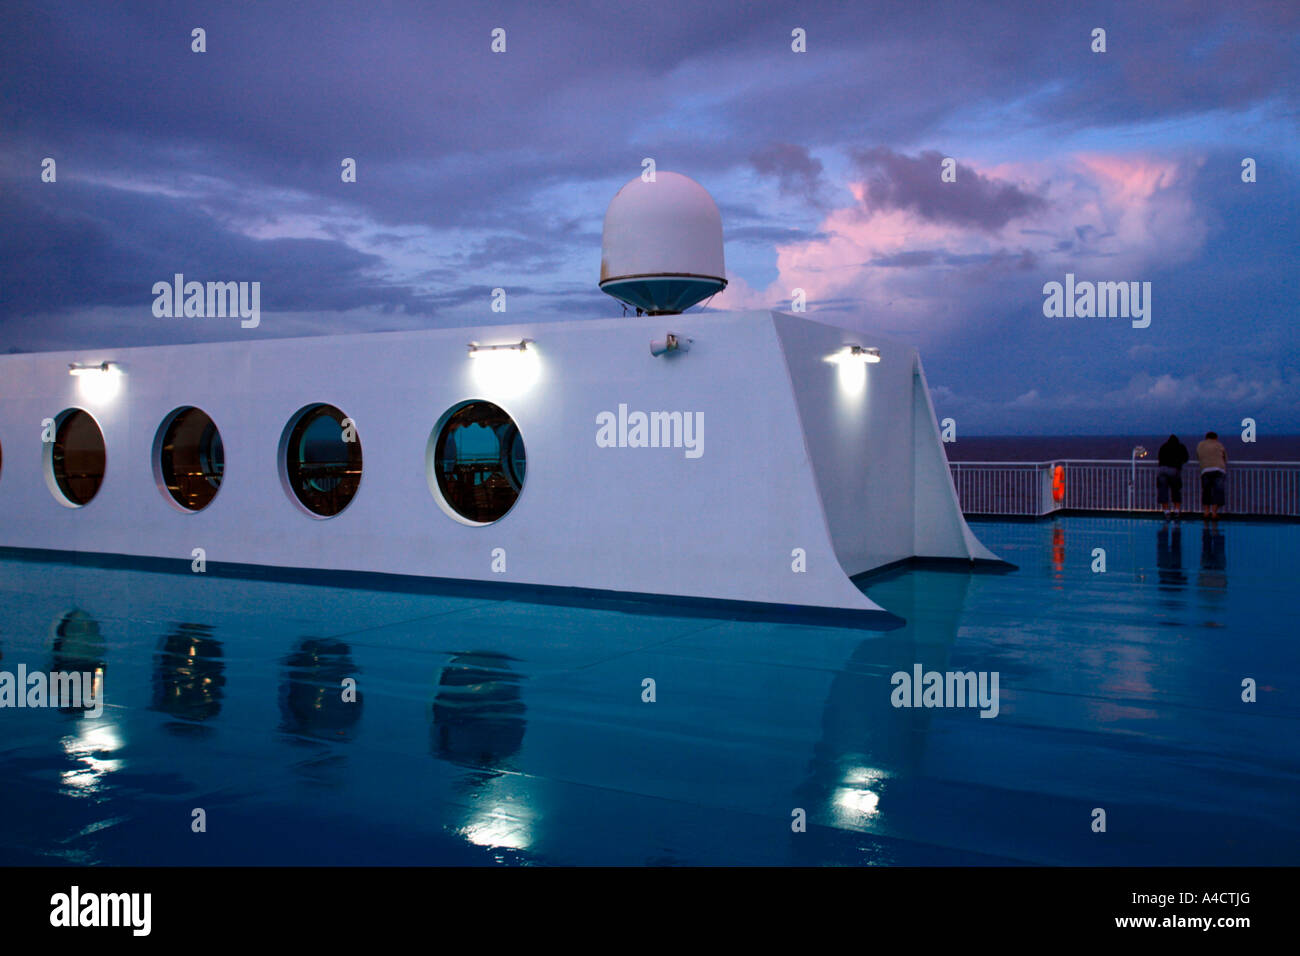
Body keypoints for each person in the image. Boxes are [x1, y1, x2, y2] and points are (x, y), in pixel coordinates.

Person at [1196, 431, 1227, 521]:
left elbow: (1198, 456)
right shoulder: (1219, 444)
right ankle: (1214, 513)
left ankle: (1206, 512)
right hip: (1219, 470)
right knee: (1218, 491)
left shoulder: (1200, 445)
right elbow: (1225, 457)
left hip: (1205, 470)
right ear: (1215, 438)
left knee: (1206, 491)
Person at [1155, 434, 1189, 517]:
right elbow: (1185, 458)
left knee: (1163, 491)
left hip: (1161, 470)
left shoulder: (1163, 446)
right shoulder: (1180, 447)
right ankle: (1177, 511)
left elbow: (1159, 457)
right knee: (1176, 490)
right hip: (1173, 470)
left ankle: (1166, 511)